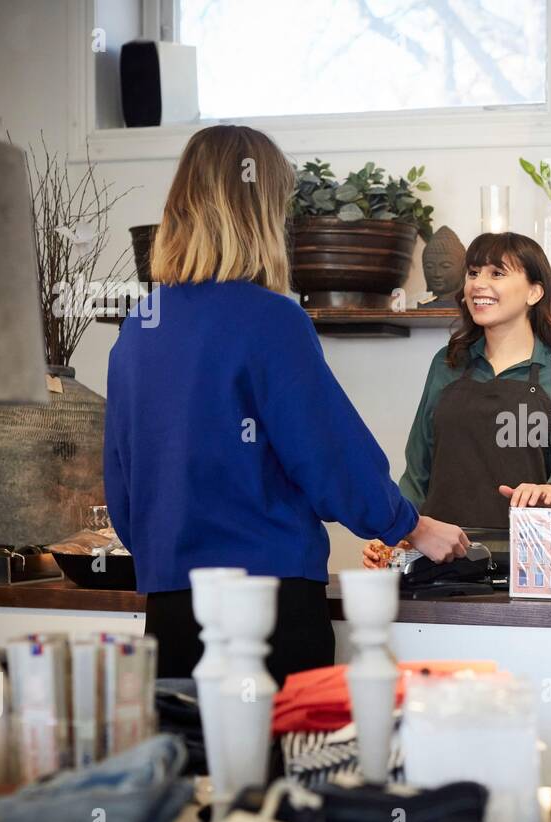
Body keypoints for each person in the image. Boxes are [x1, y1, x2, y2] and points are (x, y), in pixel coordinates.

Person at [104, 125, 468, 682]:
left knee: (187, 766)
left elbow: (124, 486)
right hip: (270, 610)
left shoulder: (139, 326)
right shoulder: (272, 319)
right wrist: (410, 526)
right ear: (260, 212)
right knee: (282, 768)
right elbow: (328, 457)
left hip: (172, 613)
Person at [362, 232, 551, 568]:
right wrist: (393, 534)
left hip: (531, 560)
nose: (478, 284)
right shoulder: (447, 363)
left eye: (497, 273)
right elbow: (418, 468)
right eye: (473, 273)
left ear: (535, 292)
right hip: (440, 559)